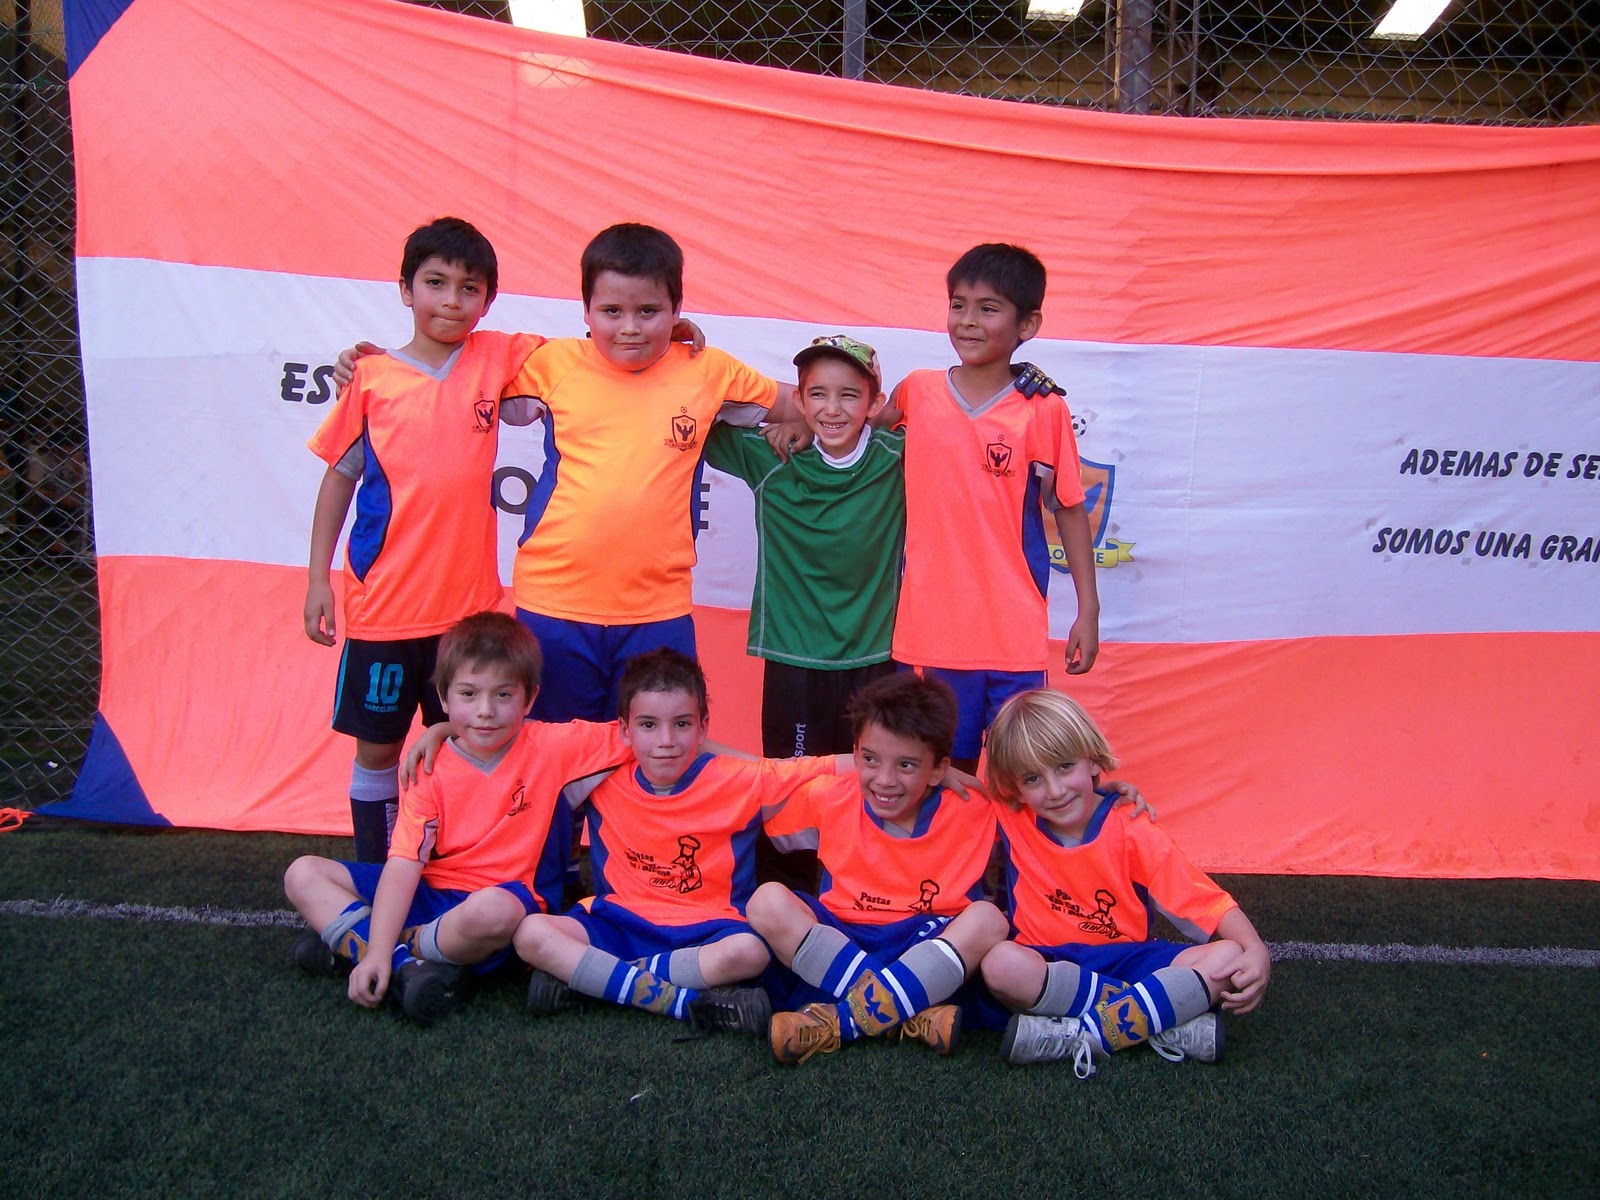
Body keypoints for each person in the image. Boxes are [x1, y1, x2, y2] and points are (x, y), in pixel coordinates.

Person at [303, 217, 543, 861]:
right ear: (406, 289)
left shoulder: (498, 357)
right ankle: (378, 873)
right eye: (436, 283)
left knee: (469, 743)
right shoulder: (371, 378)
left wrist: (668, 335)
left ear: (488, 300)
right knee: (379, 748)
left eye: (470, 288)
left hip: (467, 614)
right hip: (383, 611)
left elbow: (594, 356)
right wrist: (317, 578)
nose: (452, 300)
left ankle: (456, 867)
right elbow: (339, 479)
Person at [501, 223, 802, 724]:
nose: (630, 328)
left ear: (677, 309)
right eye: (611, 312)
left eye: (648, 311)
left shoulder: (708, 370)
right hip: (552, 605)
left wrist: (829, 418)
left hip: (657, 611)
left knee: (656, 755)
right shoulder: (553, 364)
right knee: (557, 755)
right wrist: (397, 365)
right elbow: (466, 383)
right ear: (585, 311)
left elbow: (805, 401)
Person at [281, 611, 632, 1025]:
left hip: (506, 906)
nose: (485, 711)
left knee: (493, 911)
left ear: (530, 698)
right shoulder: (429, 765)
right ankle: (402, 964)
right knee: (302, 874)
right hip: (433, 896)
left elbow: (644, 736)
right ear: (444, 698)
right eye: (468, 694)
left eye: (503, 695)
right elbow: (404, 864)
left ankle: (361, 948)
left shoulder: (556, 747)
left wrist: (711, 748)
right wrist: (378, 952)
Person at [509, 648, 846, 1034]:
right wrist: (450, 731)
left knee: (750, 952)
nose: (665, 741)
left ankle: (596, 981)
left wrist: (897, 764)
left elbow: (828, 767)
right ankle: (685, 1002)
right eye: (649, 725)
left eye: (682, 724)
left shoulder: (738, 779)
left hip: (709, 929)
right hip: (617, 921)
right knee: (531, 933)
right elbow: (517, 737)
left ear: (703, 728)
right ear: (624, 730)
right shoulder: (599, 772)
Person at [887, 243, 1102, 773]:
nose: (967, 320)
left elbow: (1070, 508)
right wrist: (798, 422)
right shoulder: (917, 391)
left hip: (1015, 634)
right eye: (958, 305)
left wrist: (1089, 610)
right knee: (946, 777)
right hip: (934, 633)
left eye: (988, 308)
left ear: (1027, 324)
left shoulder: (1043, 408)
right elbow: (854, 428)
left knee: (1023, 774)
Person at [979, 688, 1271, 1076]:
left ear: (1091, 758)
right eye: (1033, 778)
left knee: (1230, 957)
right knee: (1000, 964)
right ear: (1014, 787)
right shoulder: (1011, 815)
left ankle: (1075, 1033)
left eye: (1065, 767)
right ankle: (1153, 1022)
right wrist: (943, 770)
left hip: (1128, 960)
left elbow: (1201, 899)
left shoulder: (1131, 826)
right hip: (1048, 964)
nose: (1055, 791)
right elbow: (952, 784)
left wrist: (1255, 948)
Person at [703, 333, 904, 890]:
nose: (832, 409)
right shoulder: (772, 454)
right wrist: (687, 351)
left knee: (873, 784)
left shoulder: (897, 459)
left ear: (875, 401)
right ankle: (784, 897)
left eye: (849, 395)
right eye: (817, 395)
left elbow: (954, 420)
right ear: (798, 398)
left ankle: (862, 891)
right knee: (792, 788)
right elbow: (695, 410)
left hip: (875, 658)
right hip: (793, 659)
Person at [747, 672, 1009, 1064]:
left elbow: (1044, 819)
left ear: (939, 770)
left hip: (928, 949)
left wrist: (1101, 787)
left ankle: (838, 1022)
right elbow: (748, 790)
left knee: (988, 919)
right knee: (766, 902)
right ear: (854, 755)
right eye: (870, 759)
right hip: (841, 946)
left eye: (906, 765)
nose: (884, 780)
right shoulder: (829, 797)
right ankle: (909, 1013)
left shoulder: (975, 809)